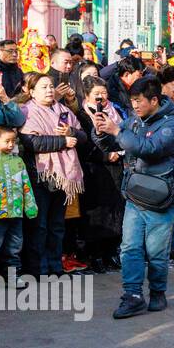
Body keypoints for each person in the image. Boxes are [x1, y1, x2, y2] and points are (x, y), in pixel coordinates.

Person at [92, 77, 174, 319]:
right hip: (135, 193)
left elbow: (149, 149)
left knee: (156, 250)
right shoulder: (134, 120)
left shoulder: (172, 124)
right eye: (132, 100)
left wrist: (116, 130)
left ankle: (158, 292)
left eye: (139, 101)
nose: (134, 105)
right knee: (130, 247)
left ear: (154, 100)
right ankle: (132, 295)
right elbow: (111, 144)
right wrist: (101, 130)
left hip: (163, 196)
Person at [16, 74, 84, 277]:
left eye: (51, 86)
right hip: (40, 174)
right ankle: (38, 269)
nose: (49, 90)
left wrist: (70, 131)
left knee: (57, 225)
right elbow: (32, 143)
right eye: (43, 87)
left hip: (63, 177)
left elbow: (82, 136)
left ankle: (55, 267)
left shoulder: (63, 110)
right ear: (31, 91)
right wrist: (63, 141)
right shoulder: (27, 111)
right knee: (39, 226)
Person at [74, 78, 125, 273]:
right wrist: (105, 155)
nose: (101, 97)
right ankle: (94, 254)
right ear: (87, 95)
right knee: (97, 212)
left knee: (116, 210)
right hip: (94, 169)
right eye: (97, 93)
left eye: (104, 92)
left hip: (117, 166)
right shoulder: (82, 115)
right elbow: (85, 143)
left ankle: (110, 252)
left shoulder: (115, 112)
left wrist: (119, 152)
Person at [0, 125, 36, 290]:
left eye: (13, 141)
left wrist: (30, 207)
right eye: (7, 141)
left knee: (14, 246)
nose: (11, 145)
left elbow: (26, 186)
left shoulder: (17, 161)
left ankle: (12, 276)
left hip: (15, 212)